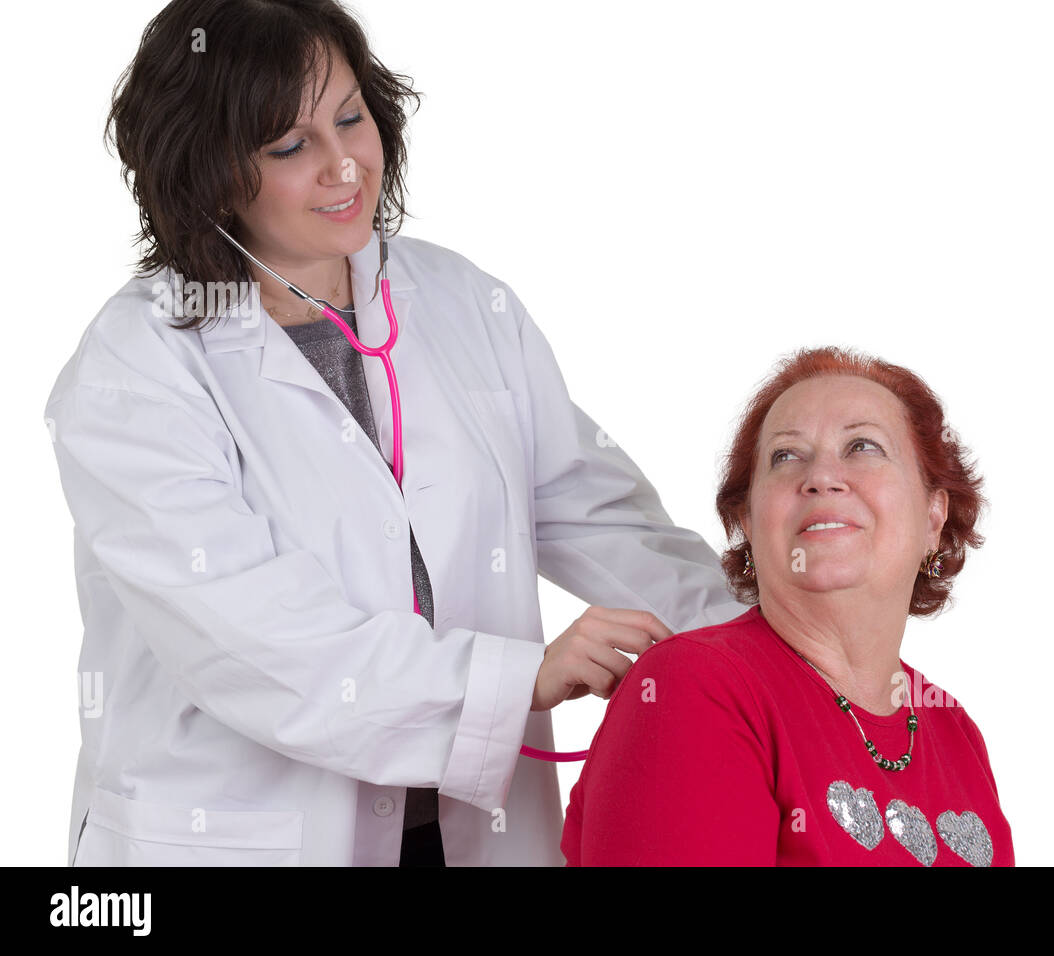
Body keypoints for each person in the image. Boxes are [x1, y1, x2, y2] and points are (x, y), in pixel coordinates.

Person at [45, 0, 745, 867]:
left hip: (466, 834)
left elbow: (593, 512)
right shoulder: (137, 369)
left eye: (351, 118)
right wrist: (512, 679)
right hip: (242, 838)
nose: (345, 166)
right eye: (290, 146)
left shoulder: (459, 303)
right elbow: (256, 639)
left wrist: (761, 638)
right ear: (210, 167)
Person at [561, 347, 1014, 865]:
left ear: (934, 517)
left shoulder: (954, 731)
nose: (822, 476)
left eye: (862, 446)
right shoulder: (694, 685)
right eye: (785, 455)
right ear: (750, 524)